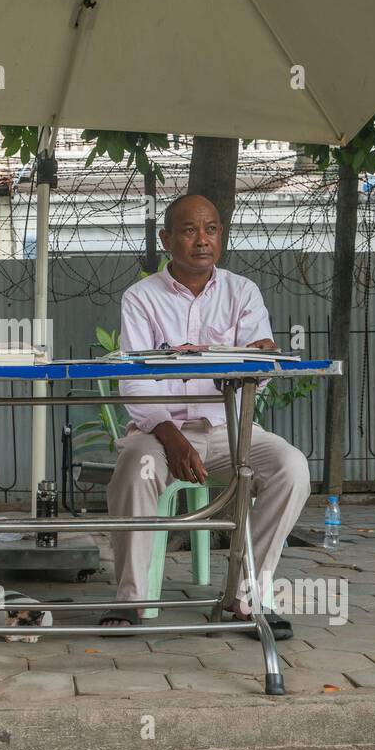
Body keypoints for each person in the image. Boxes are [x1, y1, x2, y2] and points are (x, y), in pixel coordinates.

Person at [102, 195, 310, 638]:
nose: (202, 240)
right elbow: (134, 382)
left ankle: (244, 595)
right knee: (135, 470)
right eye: (189, 230)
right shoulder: (141, 298)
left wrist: (262, 362)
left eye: (211, 229)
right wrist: (171, 438)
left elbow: (259, 375)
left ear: (221, 235)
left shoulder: (243, 292)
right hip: (159, 434)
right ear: (166, 239)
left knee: (291, 467)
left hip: (229, 429)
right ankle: (132, 600)